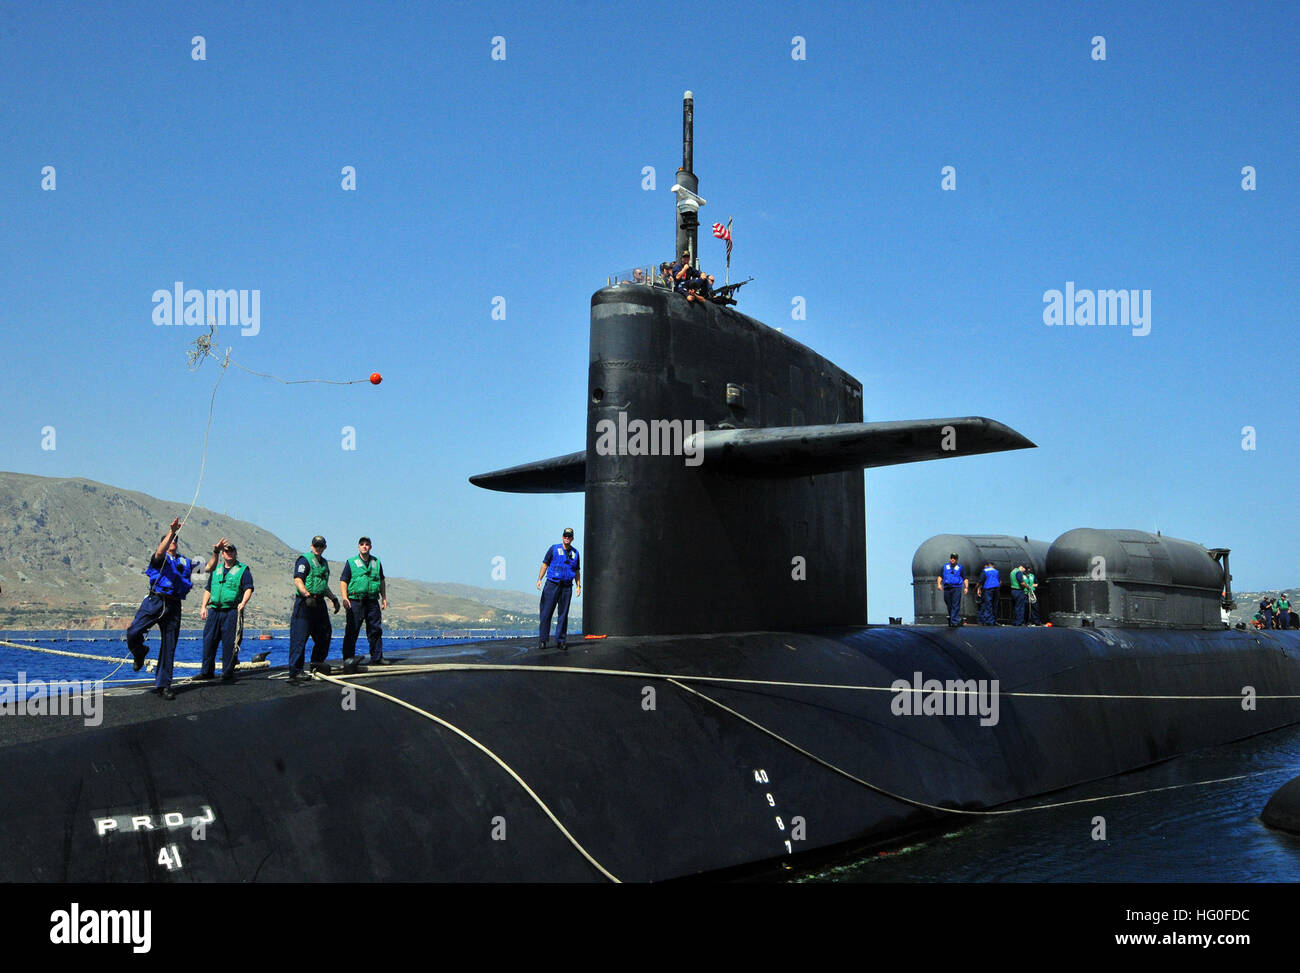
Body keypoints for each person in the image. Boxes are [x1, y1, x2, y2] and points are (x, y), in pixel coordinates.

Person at [126, 518, 194, 701]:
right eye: (170, 539)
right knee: (133, 632)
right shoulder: (159, 559)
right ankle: (139, 652)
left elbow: (208, 567)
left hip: (173, 605)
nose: (173, 542)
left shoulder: (185, 561)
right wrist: (172, 531)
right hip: (155, 601)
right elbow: (159, 552)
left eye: (175, 540)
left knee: (169, 646)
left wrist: (216, 552)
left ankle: (163, 685)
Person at [287, 535, 343, 683]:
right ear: (312, 546)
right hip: (306, 603)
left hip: (319, 603)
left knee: (325, 635)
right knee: (300, 637)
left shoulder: (324, 563)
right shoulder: (304, 560)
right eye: (316, 546)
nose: (318, 548)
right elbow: (298, 579)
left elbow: (323, 585)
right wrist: (306, 594)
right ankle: (295, 671)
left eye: (321, 546)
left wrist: (333, 598)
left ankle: (316, 664)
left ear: (324, 547)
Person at [198, 541, 253, 683]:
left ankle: (227, 673)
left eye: (231, 551)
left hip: (232, 611)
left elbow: (248, 588)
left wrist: (243, 603)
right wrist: (203, 606)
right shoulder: (216, 570)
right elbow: (208, 589)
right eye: (226, 551)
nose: (229, 553)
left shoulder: (243, 570)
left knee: (230, 643)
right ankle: (206, 672)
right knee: (209, 641)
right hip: (215, 611)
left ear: (235, 553)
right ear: (222, 554)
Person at [341, 536, 389, 666]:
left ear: (370, 547)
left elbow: (382, 580)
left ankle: (377, 657)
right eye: (362, 544)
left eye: (367, 544)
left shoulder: (376, 562)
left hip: (372, 601)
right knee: (352, 630)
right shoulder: (351, 562)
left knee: (375, 629)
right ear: (358, 546)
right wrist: (345, 598)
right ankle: (348, 658)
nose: (364, 546)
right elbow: (344, 580)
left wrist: (384, 597)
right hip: (356, 600)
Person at [537, 528, 581, 649]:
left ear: (572, 538)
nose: (567, 538)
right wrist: (539, 579)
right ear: (562, 537)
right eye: (565, 536)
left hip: (567, 586)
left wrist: (578, 586)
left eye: (569, 536)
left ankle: (560, 640)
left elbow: (577, 571)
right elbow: (545, 564)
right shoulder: (554, 549)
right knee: (546, 612)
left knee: (563, 614)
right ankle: (543, 640)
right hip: (552, 584)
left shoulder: (575, 553)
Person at [935, 552, 968, 627]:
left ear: (957, 560)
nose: (953, 559)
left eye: (954, 558)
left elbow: (965, 578)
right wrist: (939, 584)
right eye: (952, 558)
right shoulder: (945, 567)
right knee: (948, 604)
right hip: (947, 588)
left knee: (955, 604)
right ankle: (952, 618)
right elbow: (940, 576)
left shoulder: (960, 567)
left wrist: (966, 587)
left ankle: (954, 621)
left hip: (956, 588)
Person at [977, 560, 1000, 626]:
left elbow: (981, 580)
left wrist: (977, 588)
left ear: (986, 565)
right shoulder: (996, 571)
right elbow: (999, 581)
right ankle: (994, 620)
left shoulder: (985, 571)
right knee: (994, 604)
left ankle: (988, 621)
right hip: (996, 588)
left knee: (988, 604)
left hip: (988, 588)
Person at [1010, 562, 1029, 626]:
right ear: (1022, 567)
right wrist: (1028, 587)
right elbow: (1021, 582)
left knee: (1015, 607)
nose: (1024, 571)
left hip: (1013, 591)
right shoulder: (1019, 572)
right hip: (1019, 591)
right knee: (1020, 607)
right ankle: (1019, 622)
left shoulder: (1012, 571)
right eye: (1024, 569)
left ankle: (1015, 621)